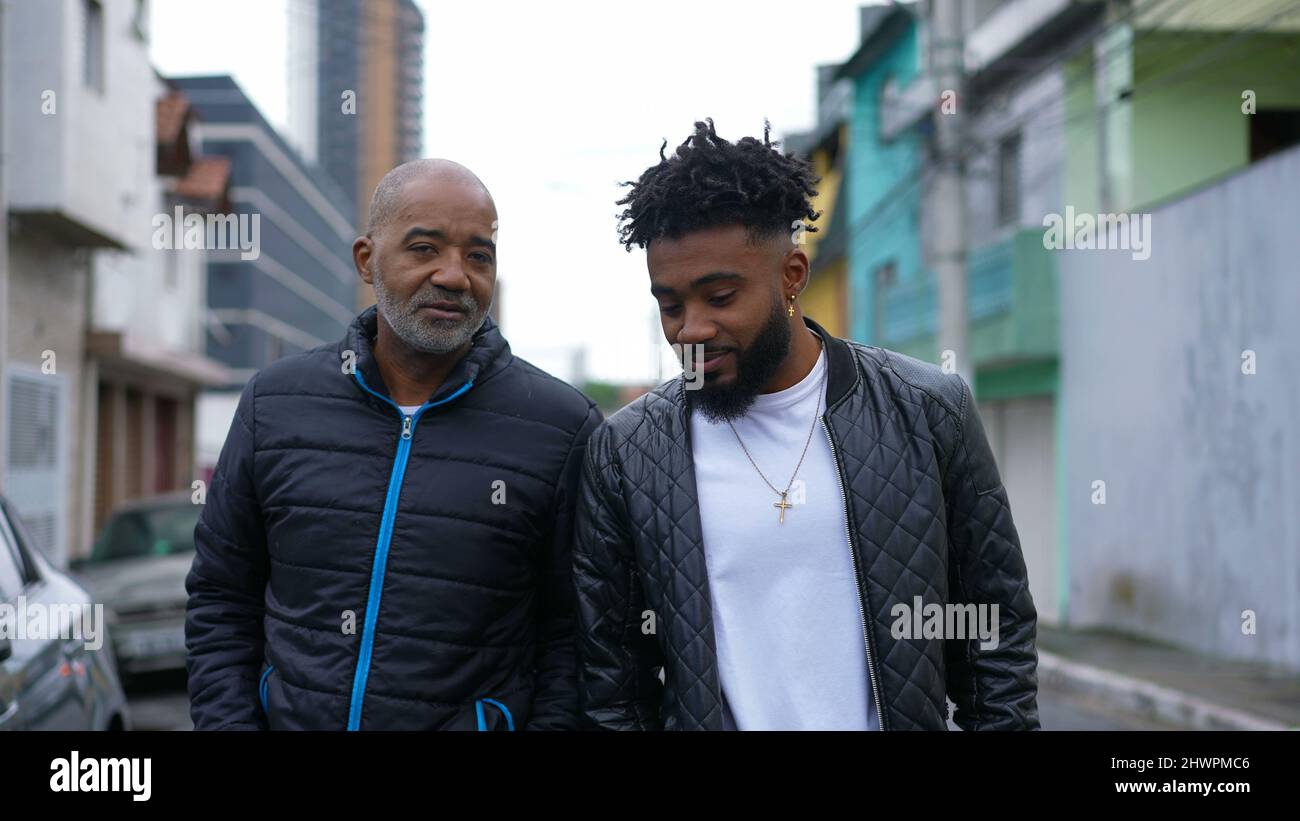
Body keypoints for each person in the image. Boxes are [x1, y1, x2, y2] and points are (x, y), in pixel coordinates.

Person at [574, 120, 1040, 730]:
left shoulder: (928, 410)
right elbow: (612, 677)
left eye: (719, 298)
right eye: (670, 304)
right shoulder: (627, 451)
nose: (690, 329)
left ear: (792, 276)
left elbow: (993, 629)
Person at [186, 159, 600, 730]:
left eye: (478, 255)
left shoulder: (560, 425)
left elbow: (572, 637)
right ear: (366, 259)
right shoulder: (275, 404)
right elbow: (221, 597)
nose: (454, 276)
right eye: (425, 248)